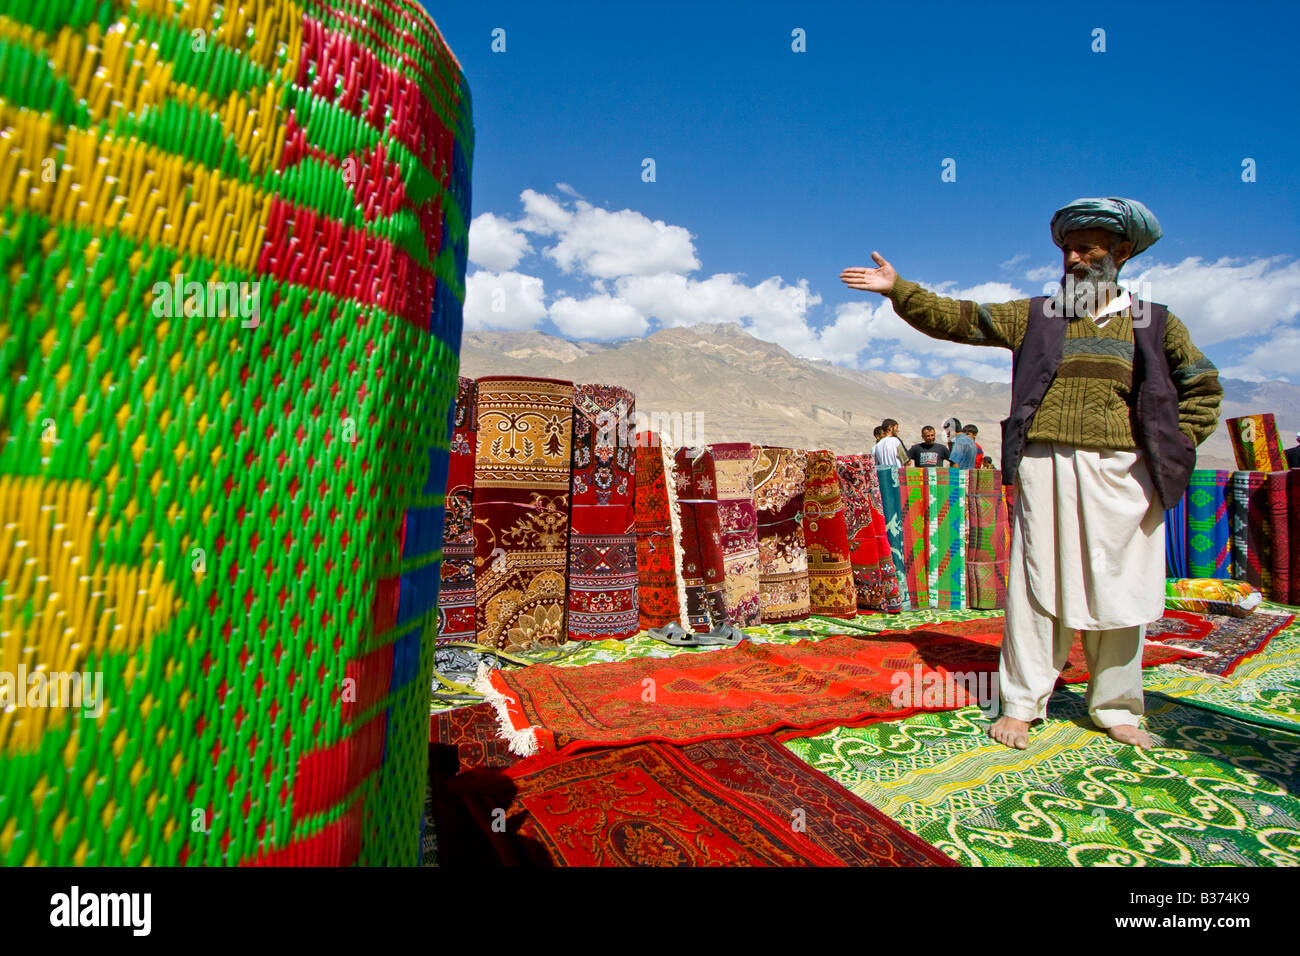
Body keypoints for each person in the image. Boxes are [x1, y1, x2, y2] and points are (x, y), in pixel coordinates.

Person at [841, 197, 1223, 751]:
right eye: (1067, 247)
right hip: (1045, 463)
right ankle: (1021, 703)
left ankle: (1115, 706)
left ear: (1119, 252)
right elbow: (965, 318)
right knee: (1035, 581)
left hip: (1126, 472)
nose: (1072, 257)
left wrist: (1172, 446)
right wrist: (901, 290)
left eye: (1085, 247)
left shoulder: (1156, 322)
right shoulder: (1040, 314)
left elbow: (1203, 387)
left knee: (1120, 589)